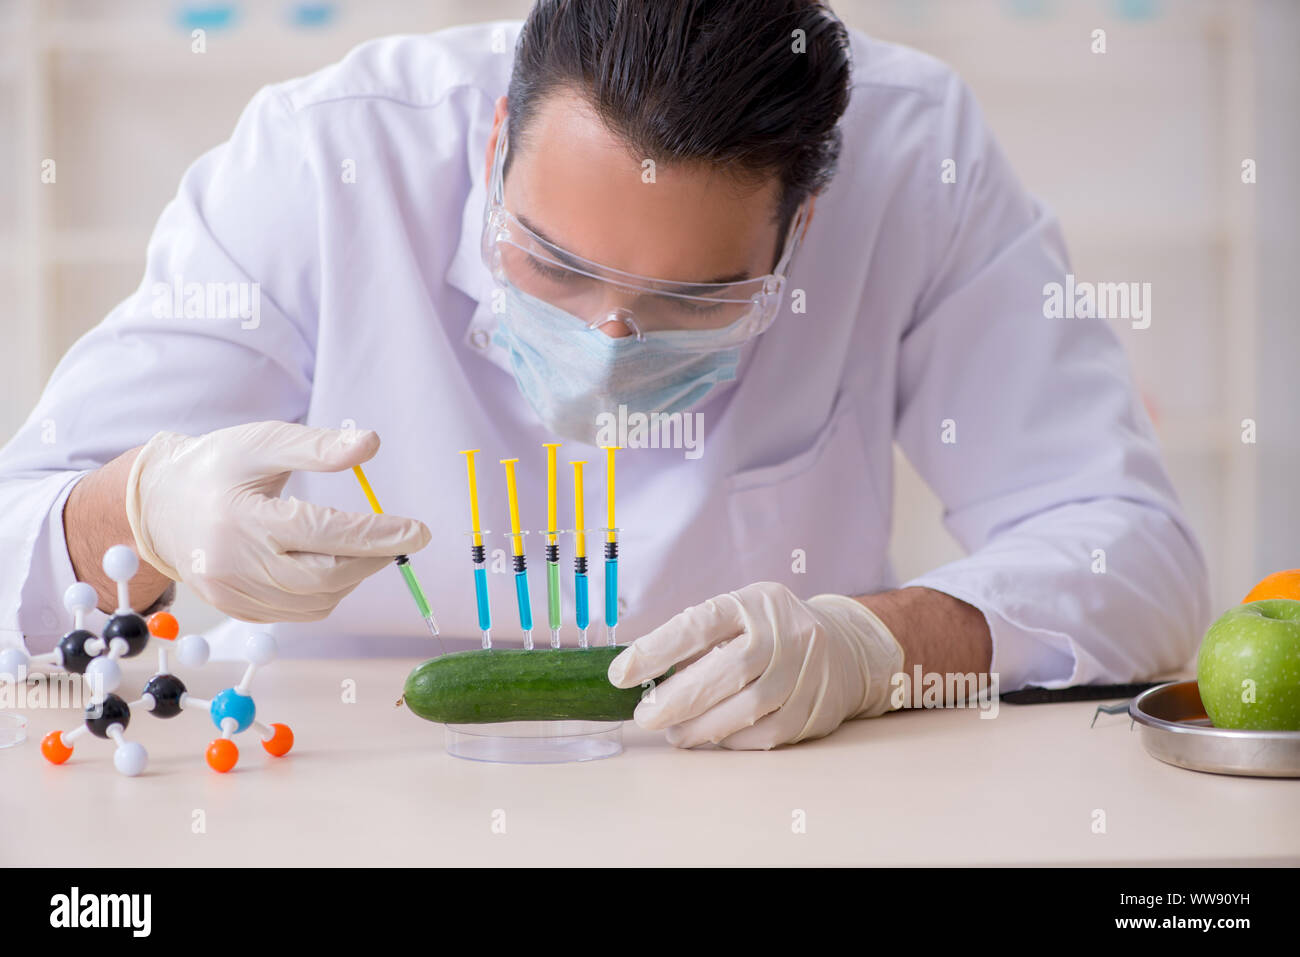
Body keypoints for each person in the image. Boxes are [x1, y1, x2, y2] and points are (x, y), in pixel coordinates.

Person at [0, 0, 1209, 749]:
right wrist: (146, 507)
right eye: (553, 264)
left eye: (694, 299)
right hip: (354, 782)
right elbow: (17, 546)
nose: (608, 340)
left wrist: (872, 649)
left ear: (805, 222)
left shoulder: (914, 161)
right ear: (493, 143)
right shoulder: (324, 160)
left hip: (770, 796)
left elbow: (1133, 557)